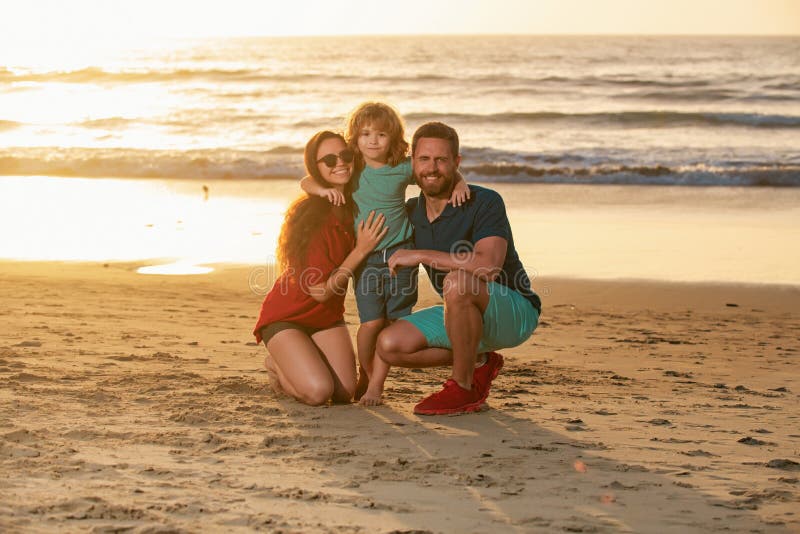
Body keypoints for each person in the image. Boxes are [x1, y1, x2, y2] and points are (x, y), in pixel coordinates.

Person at [301, 103, 469, 406]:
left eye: (381, 134)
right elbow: (306, 181)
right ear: (355, 137)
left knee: (394, 323)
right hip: (365, 260)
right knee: (370, 323)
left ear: (393, 138)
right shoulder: (352, 168)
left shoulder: (402, 168)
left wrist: (460, 183)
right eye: (365, 134)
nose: (373, 141)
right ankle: (365, 373)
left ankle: (377, 384)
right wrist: (323, 191)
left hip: (401, 256)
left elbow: (434, 173)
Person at [377, 122, 542, 415]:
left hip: (513, 310)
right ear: (412, 163)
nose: (432, 168)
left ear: (456, 162)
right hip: (460, 313)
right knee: (390, 345)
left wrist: (420, 255)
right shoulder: (411, 211)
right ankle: (480, 360)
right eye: (424, 159)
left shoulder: (485, 201)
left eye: (441, 159)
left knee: (457, 282)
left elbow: (488, 267)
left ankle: (463, 387)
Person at [253, 130, 387, 406]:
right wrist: (360, 250)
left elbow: (398, 174)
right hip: (288, 316)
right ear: (316, 167)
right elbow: (321, 292)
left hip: (326, 317)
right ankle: (276, 365)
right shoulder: (311, 219)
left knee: (344, 393)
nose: (340, 163)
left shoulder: (356, 201)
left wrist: (457, 183)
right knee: (318, 392)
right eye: (329, 160)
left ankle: (302, 360)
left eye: (345, 155)